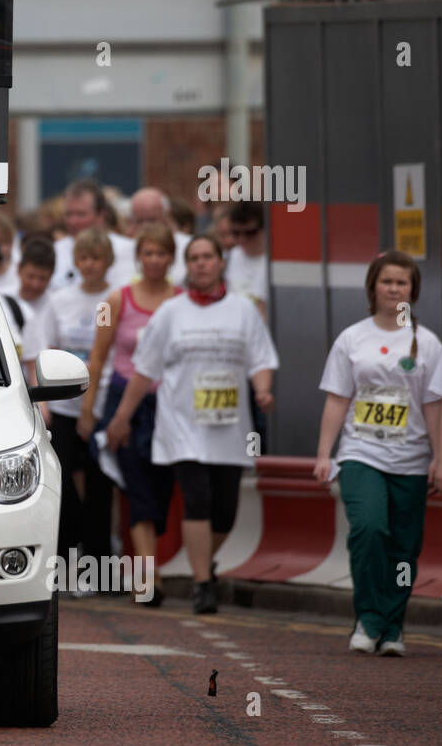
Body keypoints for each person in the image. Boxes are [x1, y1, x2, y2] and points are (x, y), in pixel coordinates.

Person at [105, 234, 278, 614]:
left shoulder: (243, 310)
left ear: (220, 263)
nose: (201, 263)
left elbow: (261, 359)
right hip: (182, 425)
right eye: (194, 258)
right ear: (188, 266)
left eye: (208, 256)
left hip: (230, 427)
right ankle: (203, 585)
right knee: (197, 500)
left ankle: (205, 561)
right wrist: (120, 418)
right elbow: (143, 371)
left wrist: (262, 390)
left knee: (226, 511)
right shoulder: (171, 312)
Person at [313, 251, 442, 656]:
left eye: (402, 282)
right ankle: (368, 619)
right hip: (360, 453)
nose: (393, 289)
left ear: (413, 290)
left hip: (411, 460)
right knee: (368, 528)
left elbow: (436, 406)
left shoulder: (429, 344)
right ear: (373, 287)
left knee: (404, 547)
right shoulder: (352, 339)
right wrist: (324, 454)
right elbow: (337, 399)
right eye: (386, 281)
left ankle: (393, 626)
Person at [78, 222, 181, 605]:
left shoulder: (182, 300)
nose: (154, 260)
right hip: (124, 403)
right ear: (138, 258)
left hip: (169, 406)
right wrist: (89, 410)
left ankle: (148, 567)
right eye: (148, 253)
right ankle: (147, 578)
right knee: (135, 486)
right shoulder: (113, 301)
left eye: (161, 253)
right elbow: (97, 356)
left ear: (172, 258)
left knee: (162, 486)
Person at [38, 228, 114, 570]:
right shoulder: (60, 299)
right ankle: (67, 558)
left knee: (101, 484)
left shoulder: (117, 297)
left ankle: (99, 558)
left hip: (105, 404)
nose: (89, 264)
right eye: (83, 258)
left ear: (108, 261)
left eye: (96, 258)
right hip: (65, 404)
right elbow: (46, 346)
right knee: (63, 481)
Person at [49, 179, 136, 292]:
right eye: (68, 214)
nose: (73, 221)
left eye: (81, 214)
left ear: (101, 214)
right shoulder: (54, 251)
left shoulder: (129, 250)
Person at [125, 187, 191, 287]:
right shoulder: (121, 250)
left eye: (151, 220)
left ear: (167, 215)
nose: (145, 226)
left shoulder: (189, 246)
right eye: (139, 221)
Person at [223, 200, 268, 322]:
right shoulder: (230, 256)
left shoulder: (275, 261)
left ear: (264, 229)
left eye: (250, 233)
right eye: (236, 233)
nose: (242, 239)